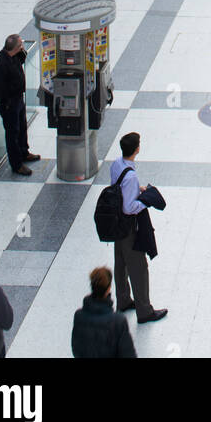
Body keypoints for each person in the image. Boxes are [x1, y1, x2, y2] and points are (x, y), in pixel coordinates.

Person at [109, 133, 167, 322]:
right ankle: (145, 310)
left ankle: (124, 299)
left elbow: (120, 189)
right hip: (128, 226)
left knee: (121, 263)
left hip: (116, 223)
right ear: (137, 149)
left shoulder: (117, 164)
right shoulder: (131, 176)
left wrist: (136, 190)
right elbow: (130, 207)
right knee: (139, 267)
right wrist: (145, 200)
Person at [0, 34, 39, 177]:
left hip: (18, 99)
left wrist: (22, 51)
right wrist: (7, 105)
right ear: (16, 47)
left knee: (22, 127)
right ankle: (17, 164)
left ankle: (24, 152)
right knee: (12, 132)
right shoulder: (1, 63)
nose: (23, 46)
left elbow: (23, 59)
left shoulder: (14, 56)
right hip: (9, 104)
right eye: (21, 45)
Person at [71, 266, 137, 359]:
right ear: (109, 288)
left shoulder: (79, 315)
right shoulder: (118, 321)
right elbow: (128, 354)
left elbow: (76, 349)